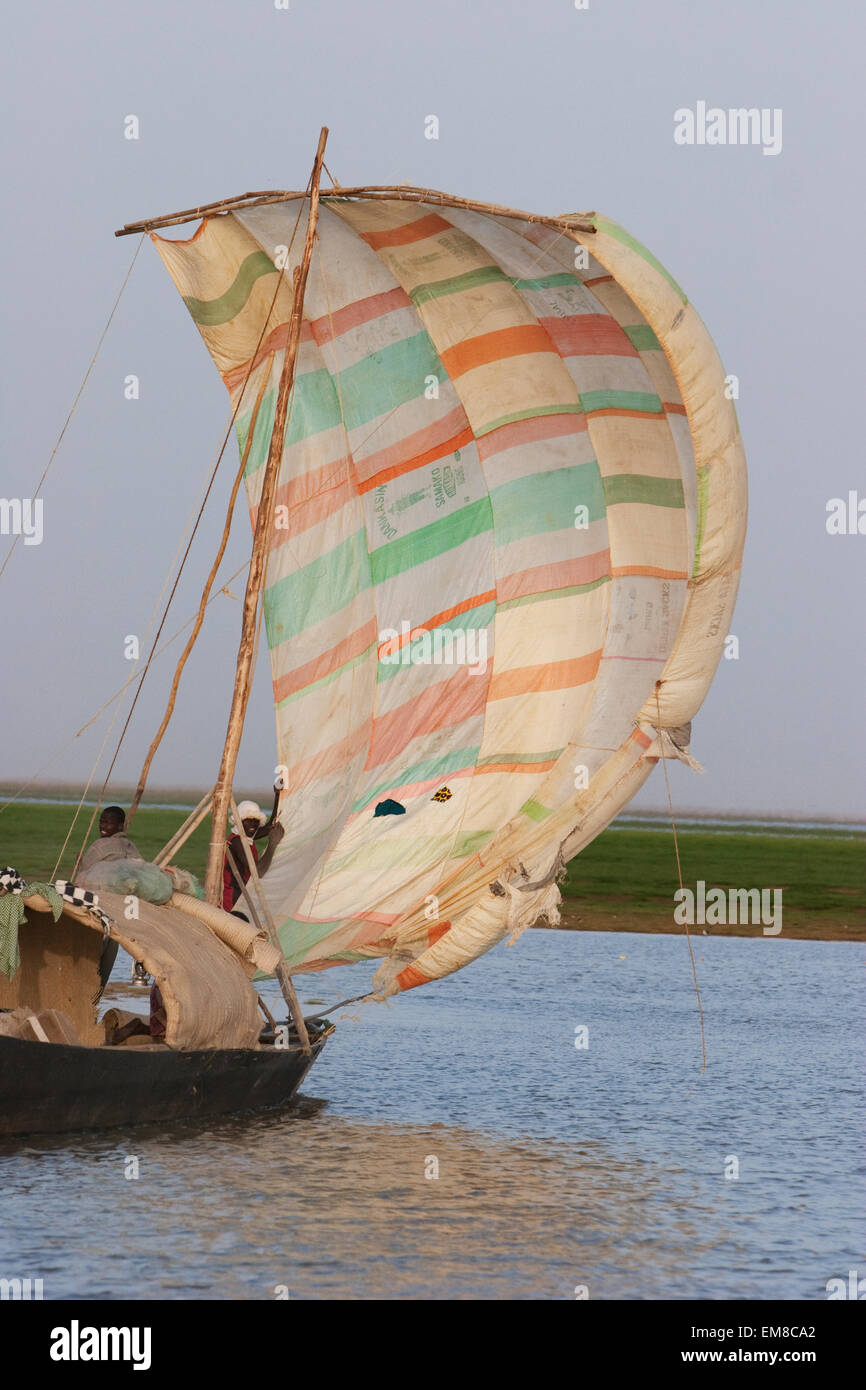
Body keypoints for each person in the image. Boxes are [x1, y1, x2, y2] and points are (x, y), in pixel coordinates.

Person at [222, 785, 285, 915]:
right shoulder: (237, 841)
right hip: (234, 901)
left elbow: (270, 826)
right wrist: (272, 844)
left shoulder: (246, 836)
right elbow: (258, 871)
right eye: (248, 821)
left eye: (256, 821)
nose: (253, 825)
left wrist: (278, 795)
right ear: (239, 821)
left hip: (244, 897)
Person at [75, 806, 140, 879]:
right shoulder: (131, 846)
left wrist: (79, 865)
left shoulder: (100, 845)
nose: (102, 826)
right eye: (101, 822)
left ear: (120, 826)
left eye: (108, 823)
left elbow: (83, 873)